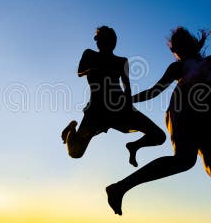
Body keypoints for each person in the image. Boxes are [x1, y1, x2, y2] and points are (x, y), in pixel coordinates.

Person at [105, 26, 211, 223]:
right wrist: (129, 100)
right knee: (184, 160)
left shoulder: (210, 61)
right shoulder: (177, 68)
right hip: (186, 112)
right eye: (175, 47)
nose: (178, 50)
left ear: (191, 44)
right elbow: (155, 91)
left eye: (180, 44)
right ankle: (120, 188)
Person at [62, 26, 166, 166]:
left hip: (120, 107)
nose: (101, 41)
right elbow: (80, 71)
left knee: (159, 136)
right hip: (96, 110)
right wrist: (97, 67)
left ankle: (134, 146)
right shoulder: (90, 54)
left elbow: (127, 86)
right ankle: (71, 129)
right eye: (99, 39)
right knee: (75, 152)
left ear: (113, 41)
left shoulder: (121, 61)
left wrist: (129, 106)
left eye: (105, 39)